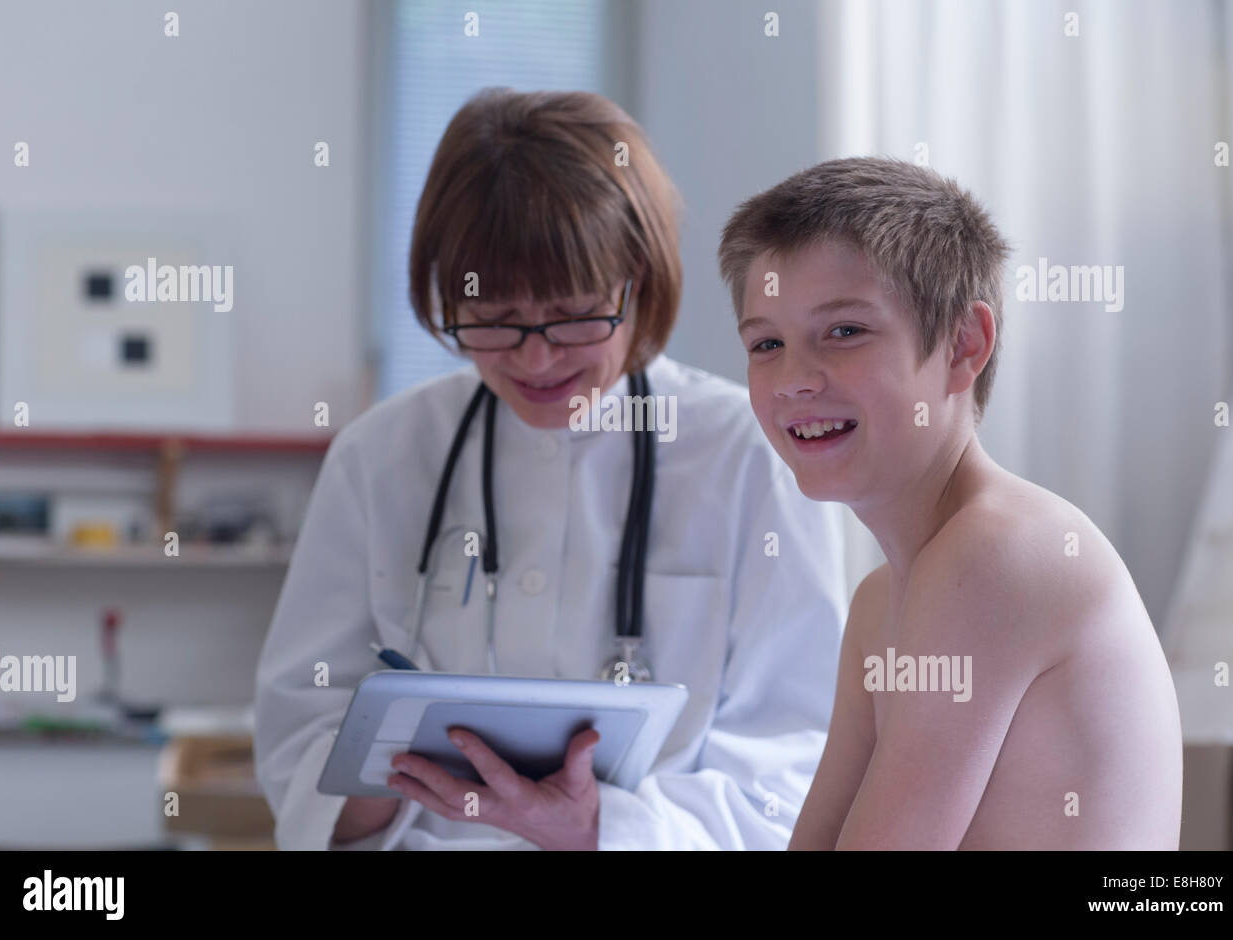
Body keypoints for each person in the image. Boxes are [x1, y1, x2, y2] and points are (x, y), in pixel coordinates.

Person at [253, 88, 848, 850]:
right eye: (495, 321)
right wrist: (367, 791)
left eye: (573, 314)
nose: (536, 359)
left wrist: (609, 829)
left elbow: (796, 756)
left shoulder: (747, 454)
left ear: (641, 279)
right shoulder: (380, 456)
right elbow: (299, 717)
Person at [718, 157, 1183, 849]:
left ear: (965, 344)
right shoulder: (880, 603)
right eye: (766, 343)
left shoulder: (998, 552)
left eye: (844, 331)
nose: (793, 379)